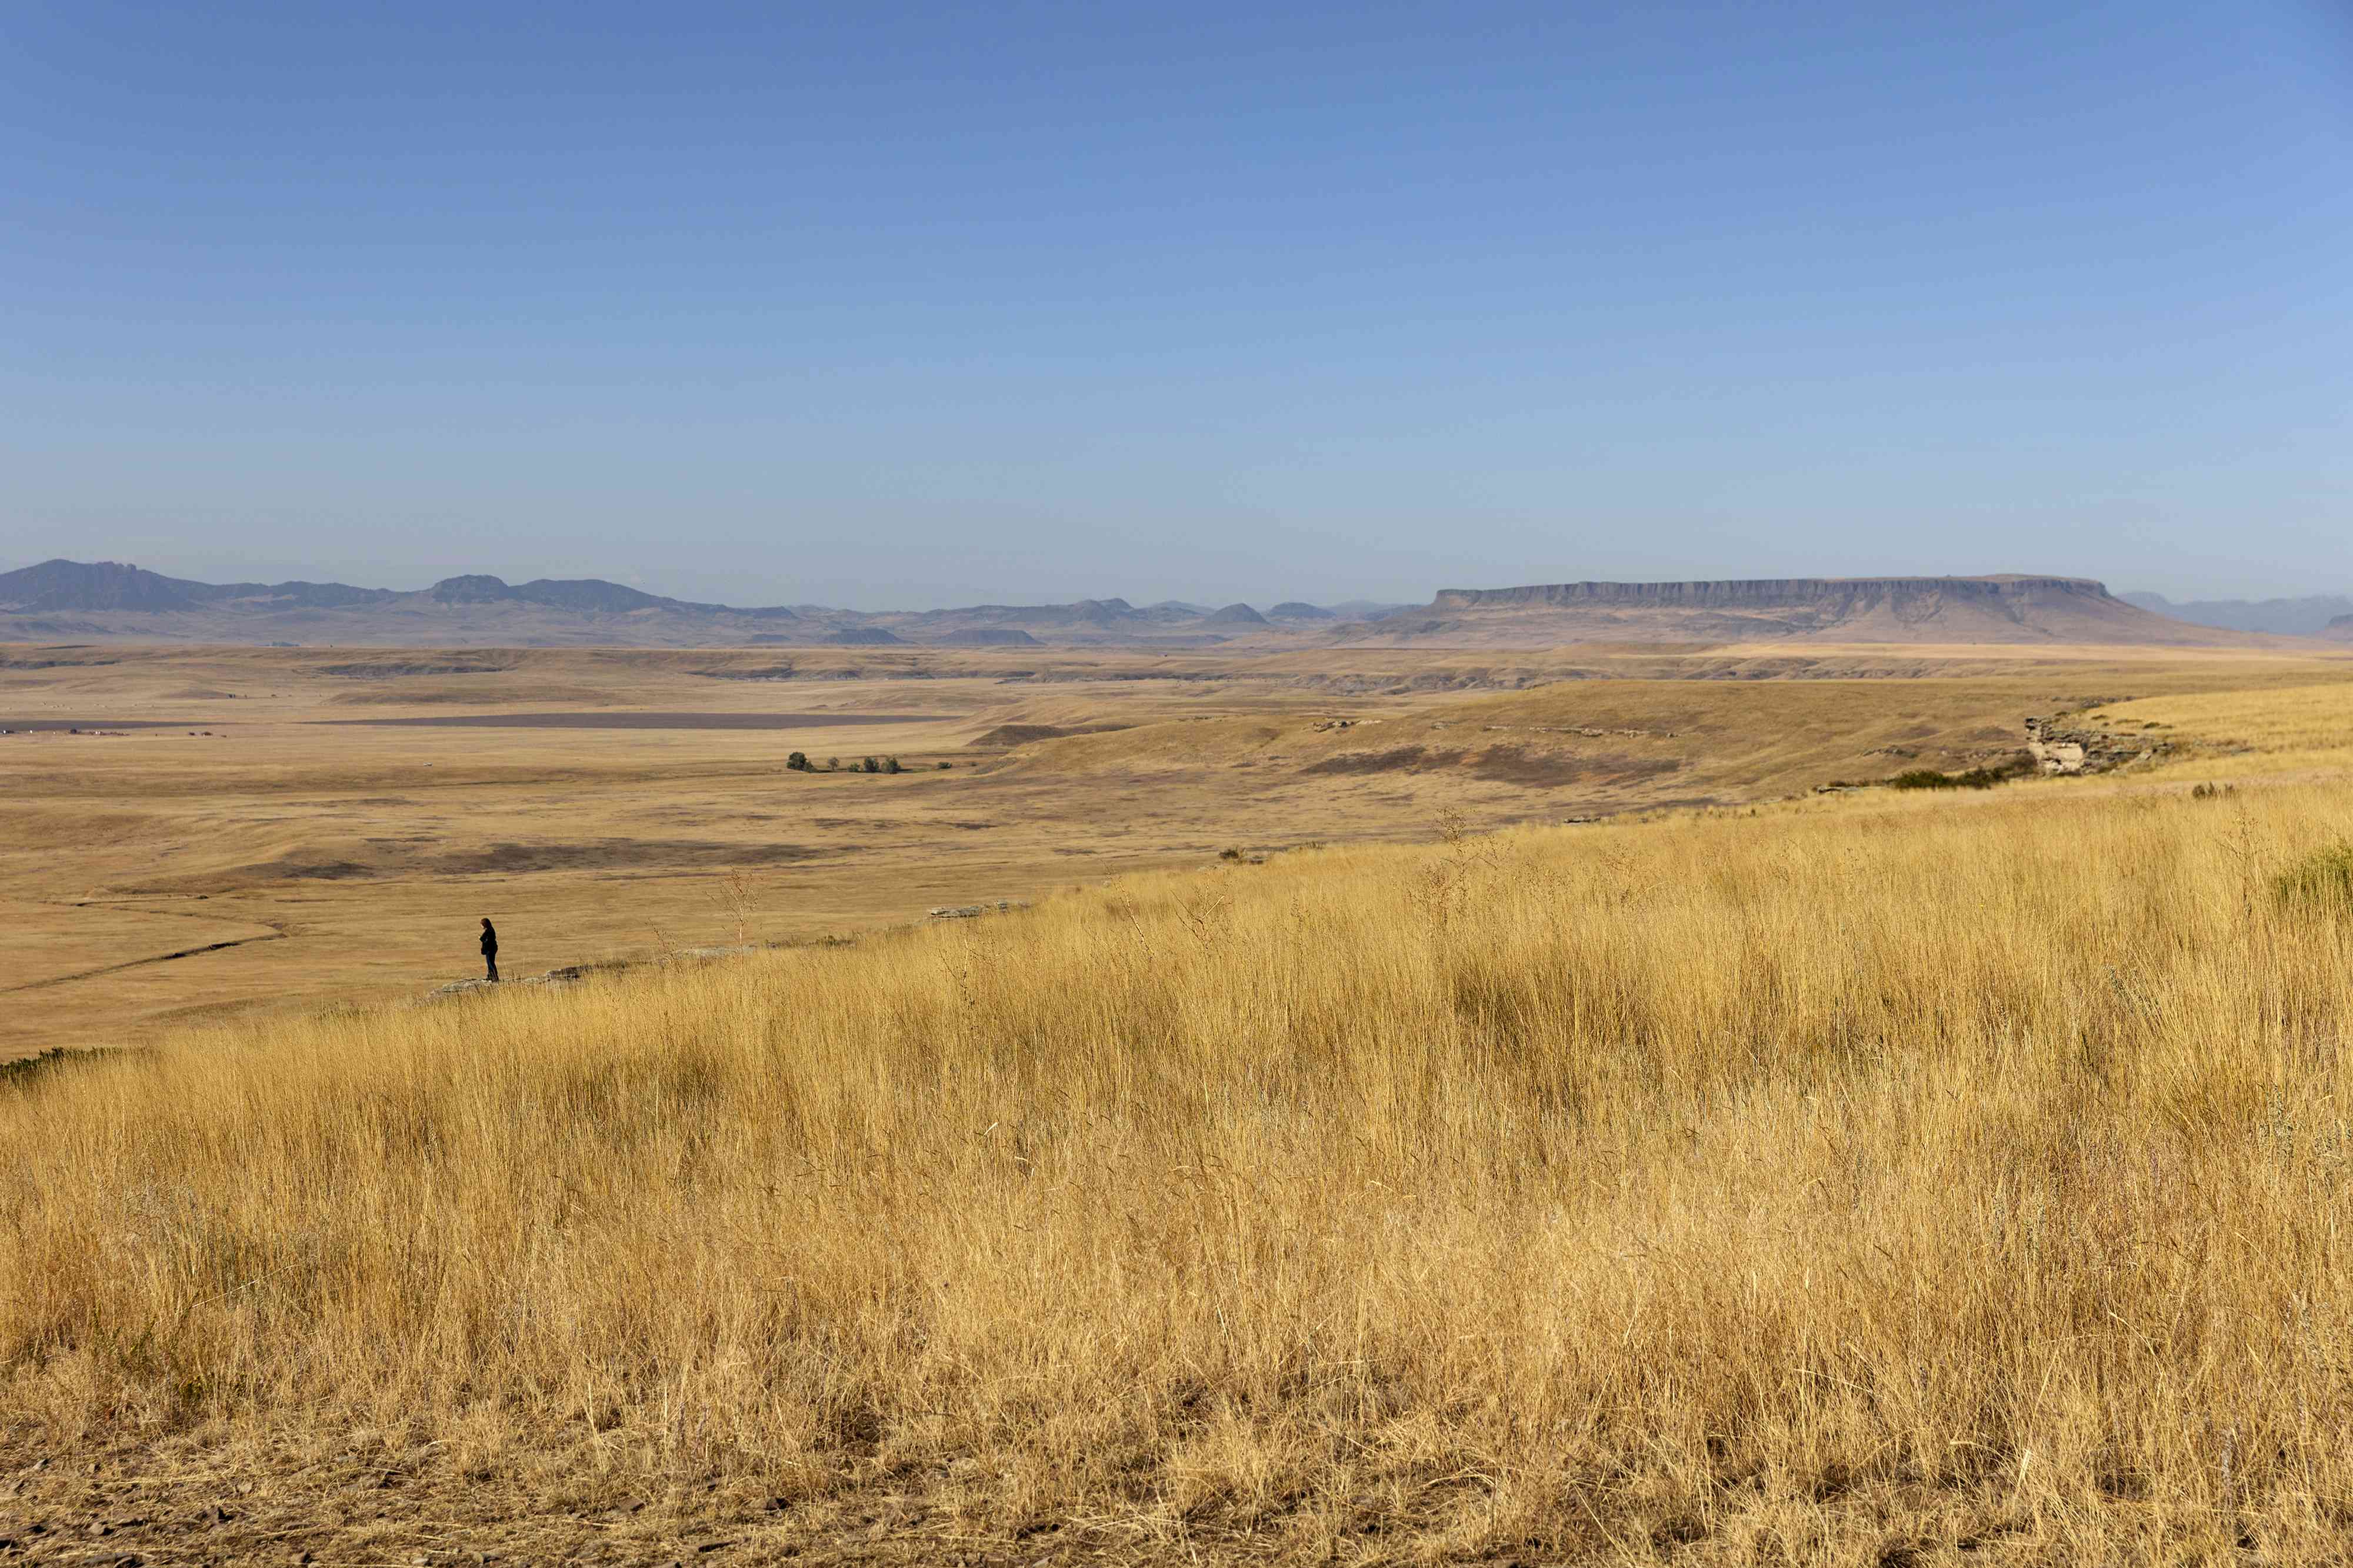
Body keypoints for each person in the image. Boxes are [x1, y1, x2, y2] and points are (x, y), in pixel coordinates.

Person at [479, 917, 499, 982]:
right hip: (492, 949)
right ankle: (490, 977)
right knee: (490, 963)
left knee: (491, 964)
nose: (481, 926)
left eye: (482, 925)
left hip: (490, 950)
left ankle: (495, 978)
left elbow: (485, 940)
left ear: (484, 925)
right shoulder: (491, 929)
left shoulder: (488, 931)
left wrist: (480, 938)